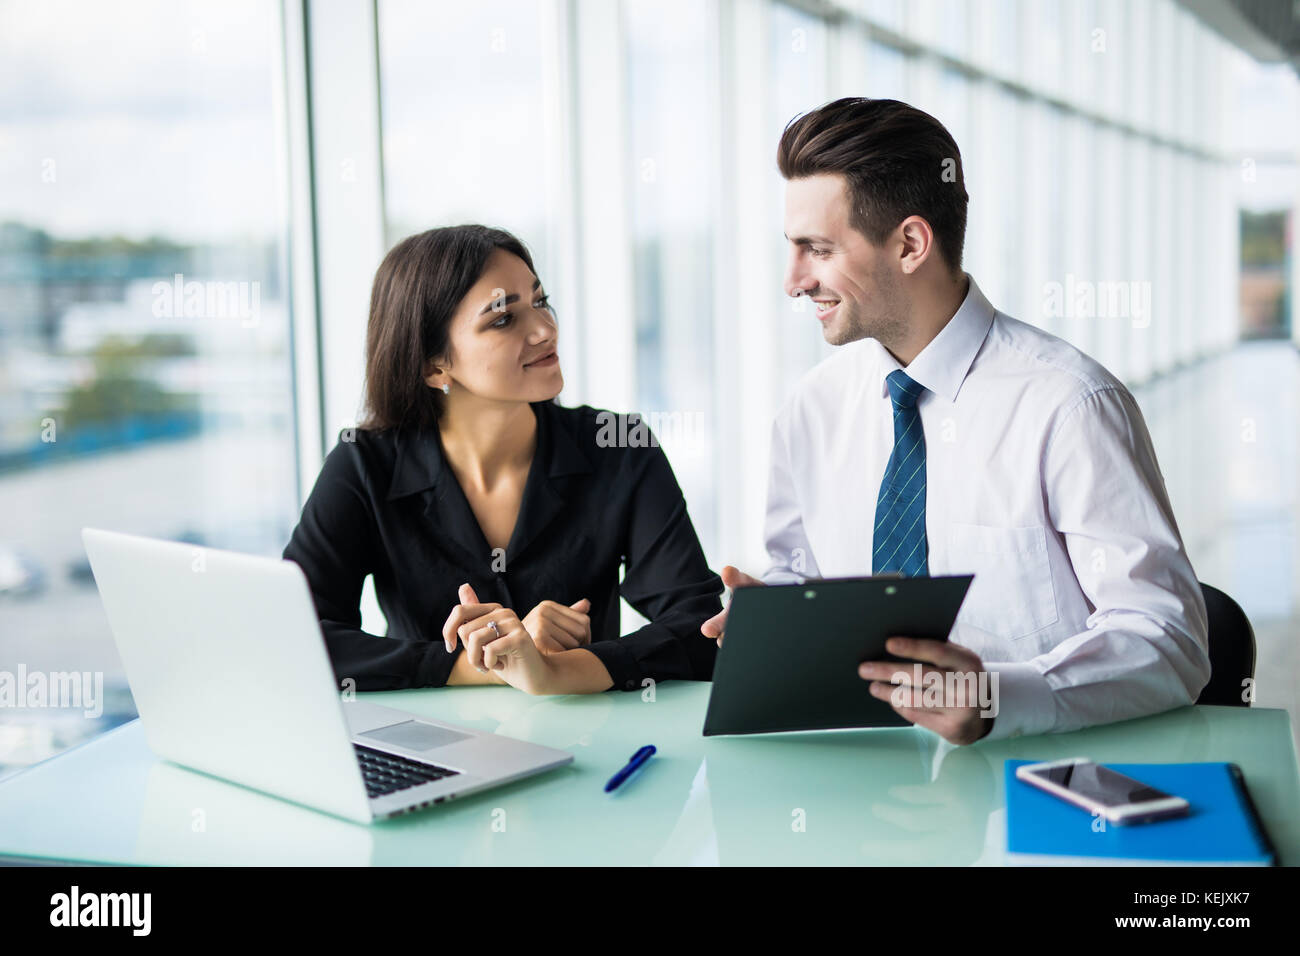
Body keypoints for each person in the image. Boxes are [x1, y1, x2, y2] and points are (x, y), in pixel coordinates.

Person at [701, 97, 1210, 745]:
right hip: (860, 780)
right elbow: (799, 576)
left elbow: (1168, 640)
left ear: (911, 243)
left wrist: (996, 699)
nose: (793, 281)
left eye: (817, 249)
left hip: (1035, 782)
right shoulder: (812, 409)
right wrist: (771, 617)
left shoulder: (1069, 404)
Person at [284, 224, 721, 695]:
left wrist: (562, 671)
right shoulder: (364, 464)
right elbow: (291, 636)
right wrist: (487, 665)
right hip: (431, 749)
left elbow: (701, 628)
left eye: (540, 301)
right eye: (502, 318)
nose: (545, 329)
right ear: (434, 365)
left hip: (592, 743)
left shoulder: (620, 446)